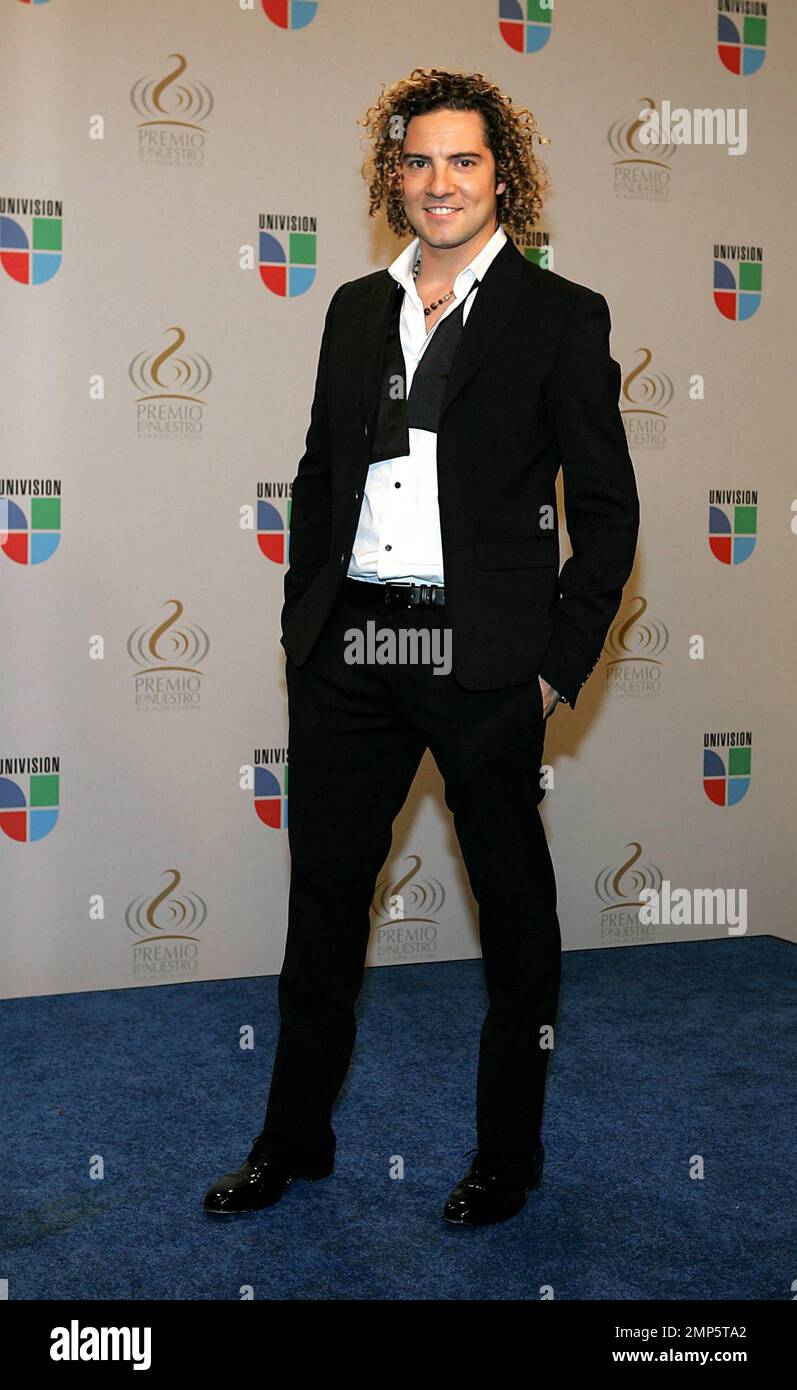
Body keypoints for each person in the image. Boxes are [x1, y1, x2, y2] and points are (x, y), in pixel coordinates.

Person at [204, 67, 640, 1226]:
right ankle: (290, 1143)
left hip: (482, 660)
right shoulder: (354, 307)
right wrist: (306, 622)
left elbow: (606, 508)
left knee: (515, 920)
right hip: (351, 652)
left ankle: (508, 1157)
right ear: (390, 177)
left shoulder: (559, 315)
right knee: (323, 911)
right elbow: (315, 476)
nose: (438, 182)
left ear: (504, 177)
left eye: (464, 161)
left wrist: (556, 660)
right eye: (417, 161)